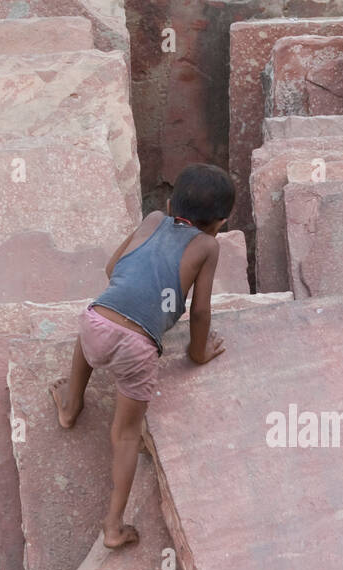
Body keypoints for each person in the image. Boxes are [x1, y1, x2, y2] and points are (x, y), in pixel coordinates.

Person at [51, 163, 233, 549]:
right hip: (136, 347)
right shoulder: (207, 246)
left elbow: (112, 267)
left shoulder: (152, 219)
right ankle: (114, 526)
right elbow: (200, 311)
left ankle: (70, 404)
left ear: (169, 204)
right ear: (220, 222)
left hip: (94, 321)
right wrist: (198, 353)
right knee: (126, 433)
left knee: (95, 325)